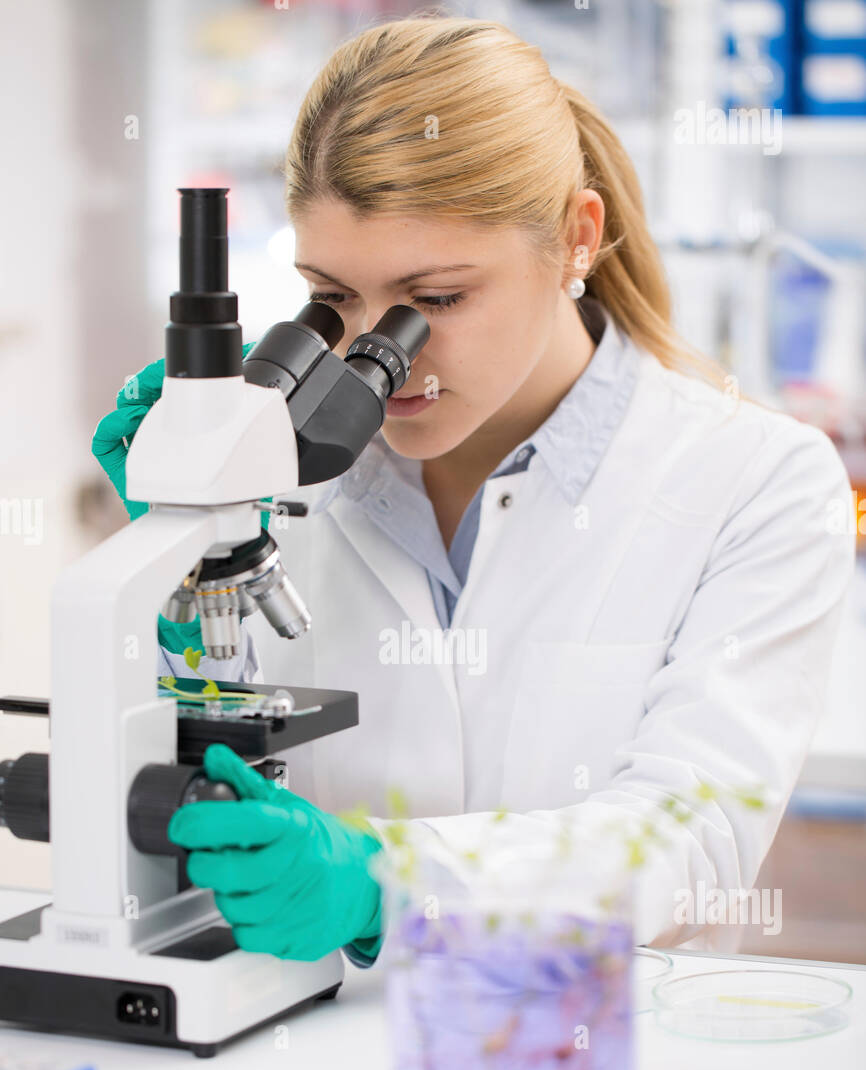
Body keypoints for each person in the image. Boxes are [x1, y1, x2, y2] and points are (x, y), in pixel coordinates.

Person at [91, 15, 855, 968]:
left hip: (592, 1036)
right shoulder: (278, 469)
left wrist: (387, 883)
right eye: (333, 298)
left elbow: (689, 836)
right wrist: (174, 554)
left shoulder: (758, 479)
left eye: (437, 299)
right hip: (304, 1030)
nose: (382, 352)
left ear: (576, 239)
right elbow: (205, 770)